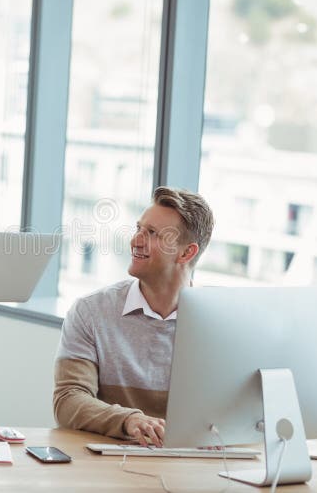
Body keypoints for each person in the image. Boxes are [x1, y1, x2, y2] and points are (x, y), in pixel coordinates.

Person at [53, 187, 214, 447]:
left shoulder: (217, 323)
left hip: (189, 461)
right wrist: (130, 420)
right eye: (139, 229)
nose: (136, 241)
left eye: (152, 233)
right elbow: (68, 399)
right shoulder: (91, 312)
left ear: (186, 253)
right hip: (111, 460)